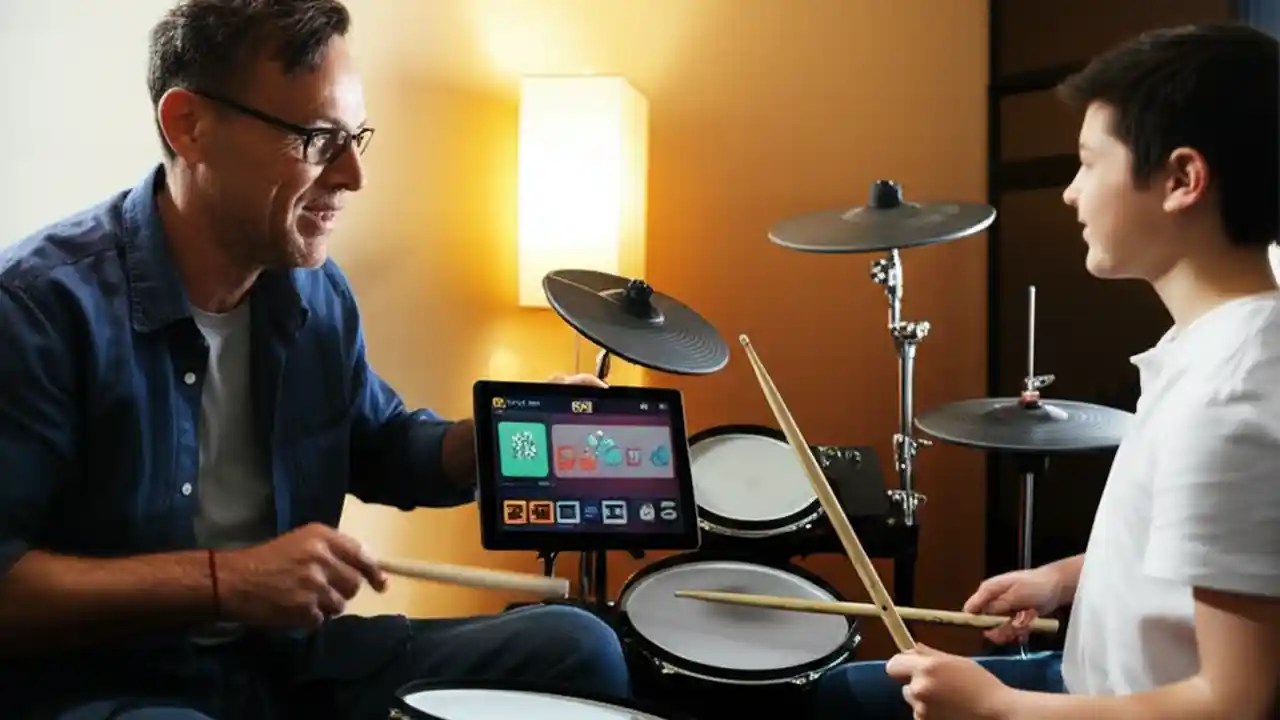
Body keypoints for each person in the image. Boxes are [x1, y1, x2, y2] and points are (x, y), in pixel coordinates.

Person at [0, 1, 631, 718]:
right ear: (190, 125)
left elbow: (377, 442)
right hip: (113, 683)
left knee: (580, 646)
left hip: (285, 659)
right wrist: (225, 581)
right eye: (317, 139)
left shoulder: (313, 290)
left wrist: (490, 440)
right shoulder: (36, 309)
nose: (353, 175)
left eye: (355, 136)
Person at [809, 22, 1280, 720]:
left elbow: (1235, 702)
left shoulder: (1230, 395)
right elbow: (1225, 559)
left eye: (1089, 163)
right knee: (837, 692)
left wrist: (999, 708)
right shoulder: (1208, 347)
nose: (1068, 193)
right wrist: (1064, 580)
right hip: (1094, 677)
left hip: (1118, 703)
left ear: (1182, 179)